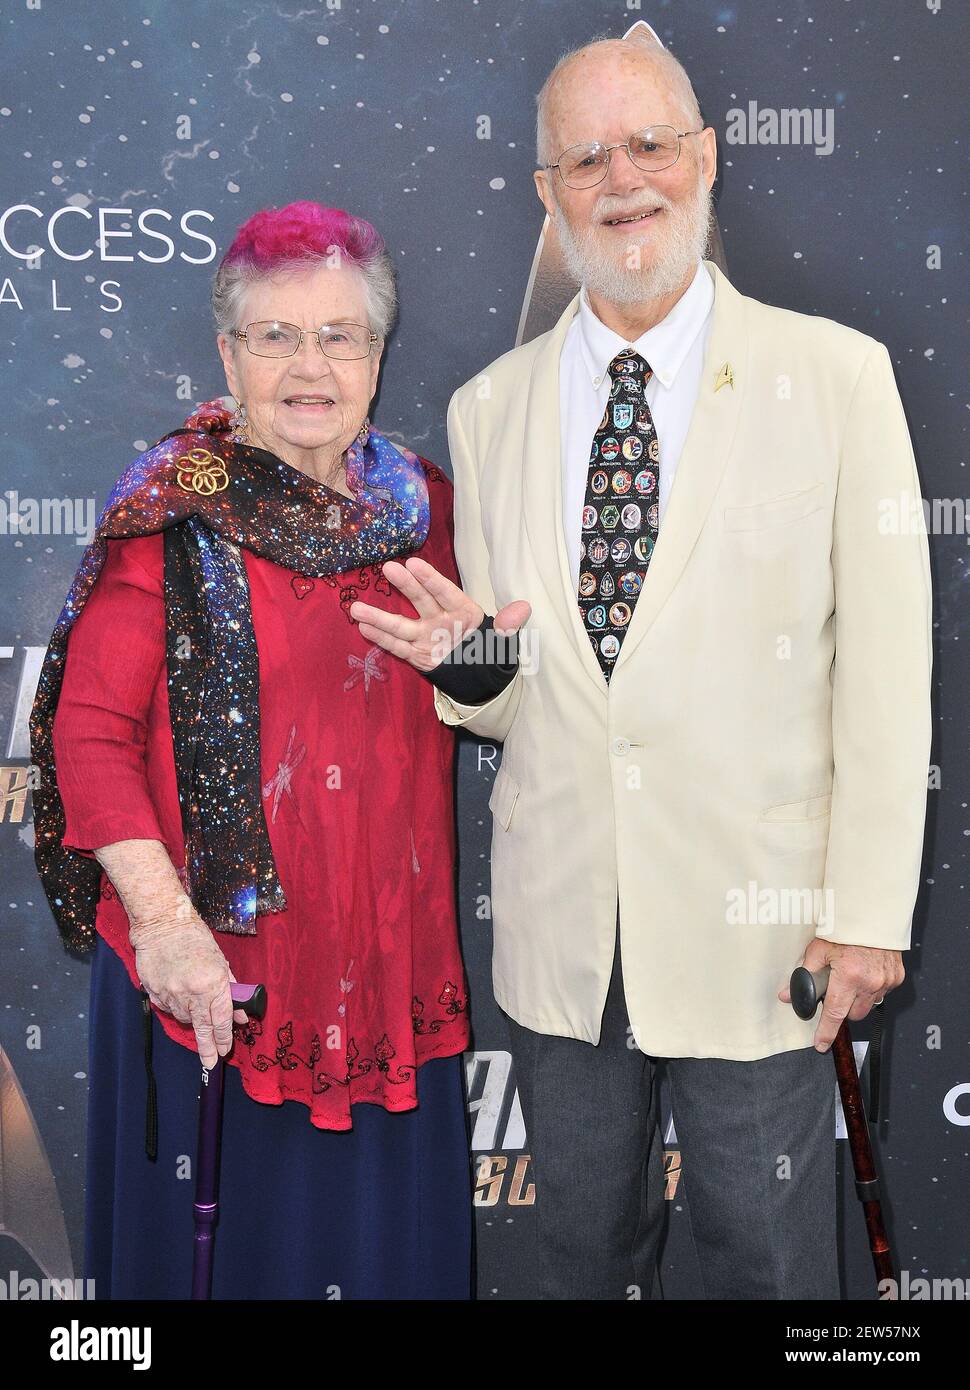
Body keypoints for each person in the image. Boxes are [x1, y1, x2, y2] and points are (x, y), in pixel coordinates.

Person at [350, 31, 933, 1299]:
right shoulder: (489, 408)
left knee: (771, 1268)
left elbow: (888, 675)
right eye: (586, 155)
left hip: (761, 934)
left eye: (651, 143)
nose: (625, 177)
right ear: (549, 194)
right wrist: (469, 665)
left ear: (707, 159)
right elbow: (512, 692)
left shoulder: (833, 378)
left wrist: (866, 912)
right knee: (577, 1266)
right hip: (568, 939)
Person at [29, 201, 473, 1300]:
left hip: (382, 985)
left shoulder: (431, 507)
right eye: (275, 335)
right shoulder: (168, 509)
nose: (308, 365)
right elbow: (87, 737)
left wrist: (478, 662)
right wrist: (171, 928)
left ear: (378, 352)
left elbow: (499, 686)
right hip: (217, 986)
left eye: (339, 334)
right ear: (230, 353)